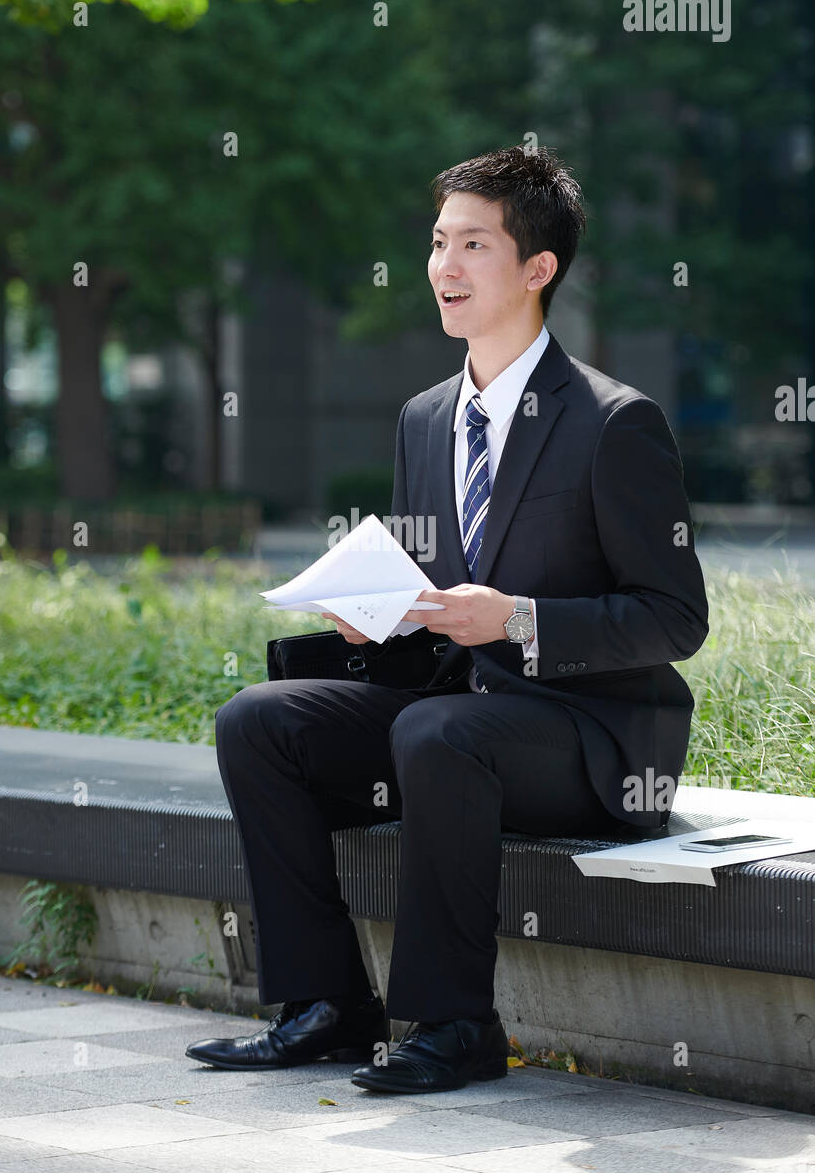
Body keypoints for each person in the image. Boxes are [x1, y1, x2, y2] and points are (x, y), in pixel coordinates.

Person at [186, 144, 709, 1095]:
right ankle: (325, 1007)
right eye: (437, 242)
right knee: (258, 721)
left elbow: (674, 619)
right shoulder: (425, 418)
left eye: (473, 244)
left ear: (537, 268)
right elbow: (434, 598)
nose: (444, 266)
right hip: (455, 716)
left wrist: (518, 619)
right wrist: (379, 618)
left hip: (591, 739)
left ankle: (455, 1023)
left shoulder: (614, 422)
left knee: (439, 732)